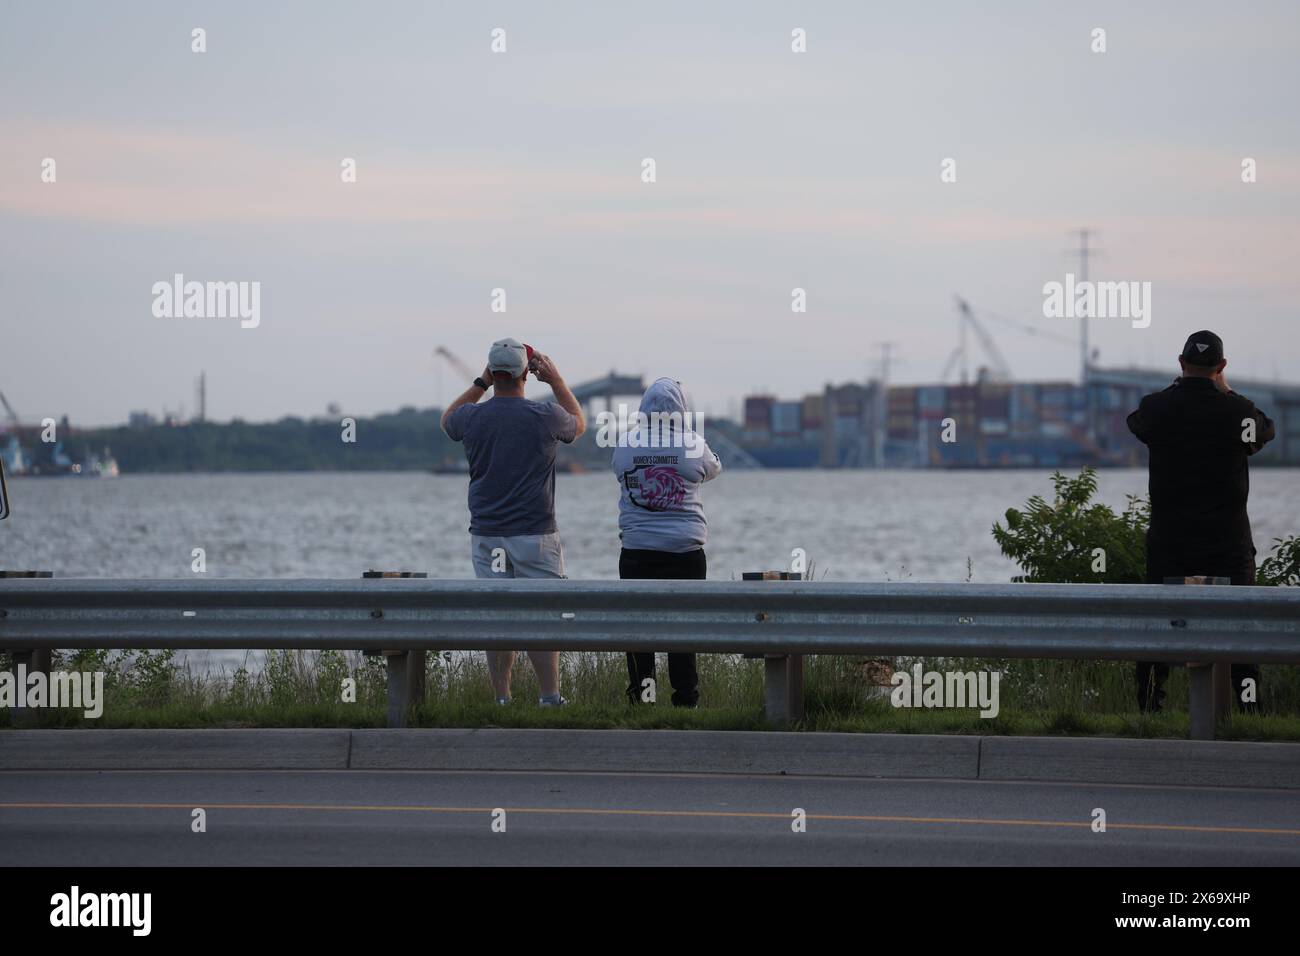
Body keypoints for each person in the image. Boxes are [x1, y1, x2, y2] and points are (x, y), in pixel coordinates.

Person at [1126, 330, 1275, 713]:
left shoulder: (1158, 408)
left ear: (1180, 363)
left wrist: (1178, 391)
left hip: (1170, 545)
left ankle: (1148, 711)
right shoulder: (1236, 411)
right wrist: (1225, 393)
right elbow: (1264, 430)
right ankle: (1250, 712)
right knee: (1244, 636)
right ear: (1221, 367)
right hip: (1227, 546)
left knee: (1158, 633)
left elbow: (1139, 422)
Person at [441, 338, 586, 706]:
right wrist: (555, 381)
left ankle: (502, 698)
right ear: (526, 373)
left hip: (487, 536)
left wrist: (480, 383)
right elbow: (579, 426)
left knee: (497, 618)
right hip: (535, 534)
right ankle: (549, 696)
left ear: (493, 372)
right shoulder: (546, 415)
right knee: (543, 616)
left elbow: (447, 421)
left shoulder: (472, 418)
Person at [611, 378, 722, 707]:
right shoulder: (693, 444)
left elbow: (618, 471)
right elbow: (714, 468)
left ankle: (642, 699)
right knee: (684, 629)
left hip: (636, 552)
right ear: (682, 409)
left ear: (643, 409)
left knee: (637, 630)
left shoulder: (626, 444)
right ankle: (686, 700)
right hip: (685, 553)